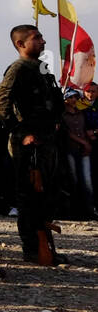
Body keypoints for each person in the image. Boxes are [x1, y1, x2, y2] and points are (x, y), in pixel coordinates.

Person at [0, 25, 66, 264]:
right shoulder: (18, 68)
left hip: (47, 140)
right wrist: (20, 131)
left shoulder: (43, 68)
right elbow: (1, 102)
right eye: (36, 38)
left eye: (42, 37)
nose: (43, 42)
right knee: (29, 195)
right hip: (28, 142)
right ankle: (32, 248)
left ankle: (46, 245)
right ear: (21, 44)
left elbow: (53, 101)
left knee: (48, 193)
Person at [61, 88, 94, 218]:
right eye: (71, 97)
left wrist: (87, 144)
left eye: (75, 97)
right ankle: (75, 211)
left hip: (83, 151)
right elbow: (67, 133)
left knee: (87, 180)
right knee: (73, 180)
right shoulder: (62, 116)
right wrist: (84, 142)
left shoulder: (81, 113)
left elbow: (85, 129)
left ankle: (90, 210)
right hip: (70, 149)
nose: (74, 100)